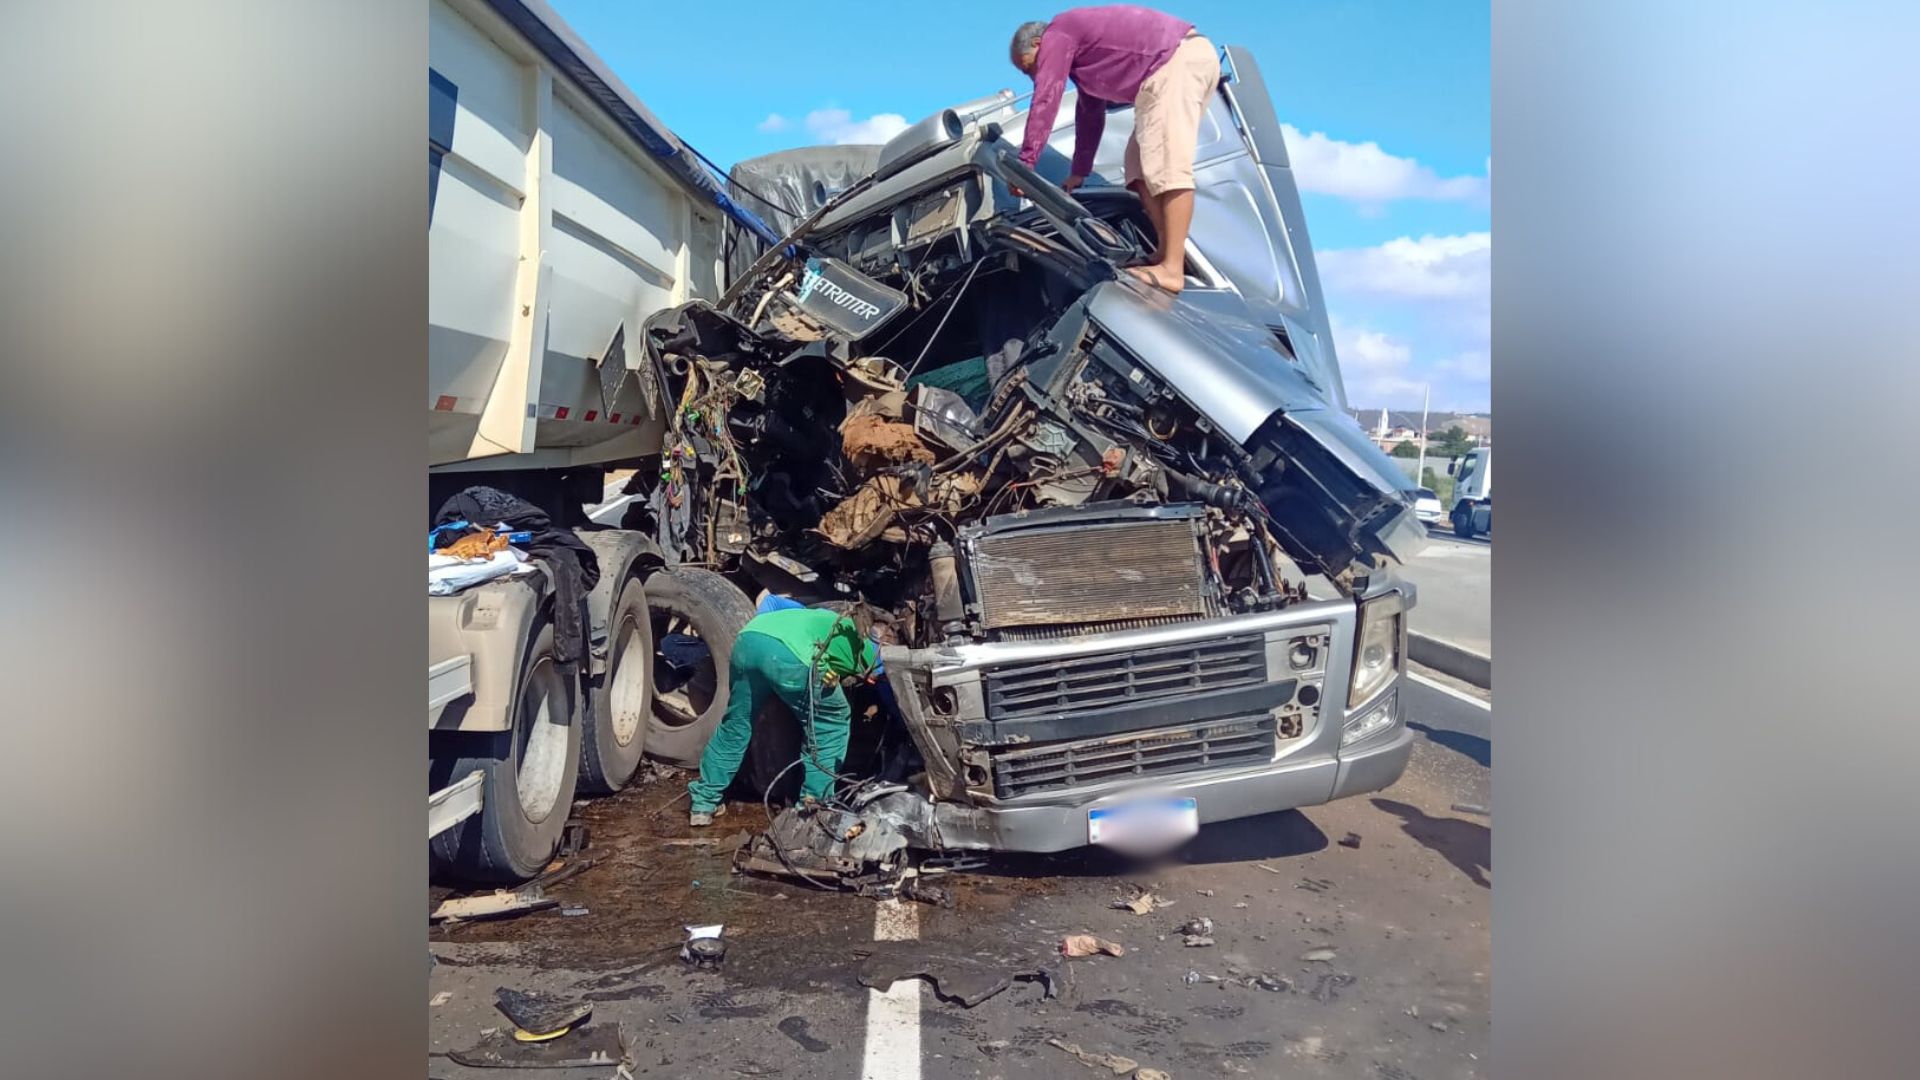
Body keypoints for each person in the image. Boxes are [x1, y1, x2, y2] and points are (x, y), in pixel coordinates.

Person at [1009, 6, 1218, 294]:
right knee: (1138, 166)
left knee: (1168, 163)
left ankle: (1172, 267)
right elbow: (1090, 114)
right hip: (1166, 70)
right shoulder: (1086, 66)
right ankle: (1163, 252)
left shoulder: (1058, 32)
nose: (1032, 74)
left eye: (1028, 66)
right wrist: (1079, 172)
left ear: (1037, 44)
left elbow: (1047, 95)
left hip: (1175, 60)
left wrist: (1026, 163)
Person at [685, 603, 886, 826]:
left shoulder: (820, 616)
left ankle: (703, 803)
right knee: (830, 722)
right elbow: (883, 680)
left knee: (736, 725)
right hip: (792, 656)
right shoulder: (872, 649)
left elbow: (770, 600)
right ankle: (814, 806)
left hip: (749, 640)